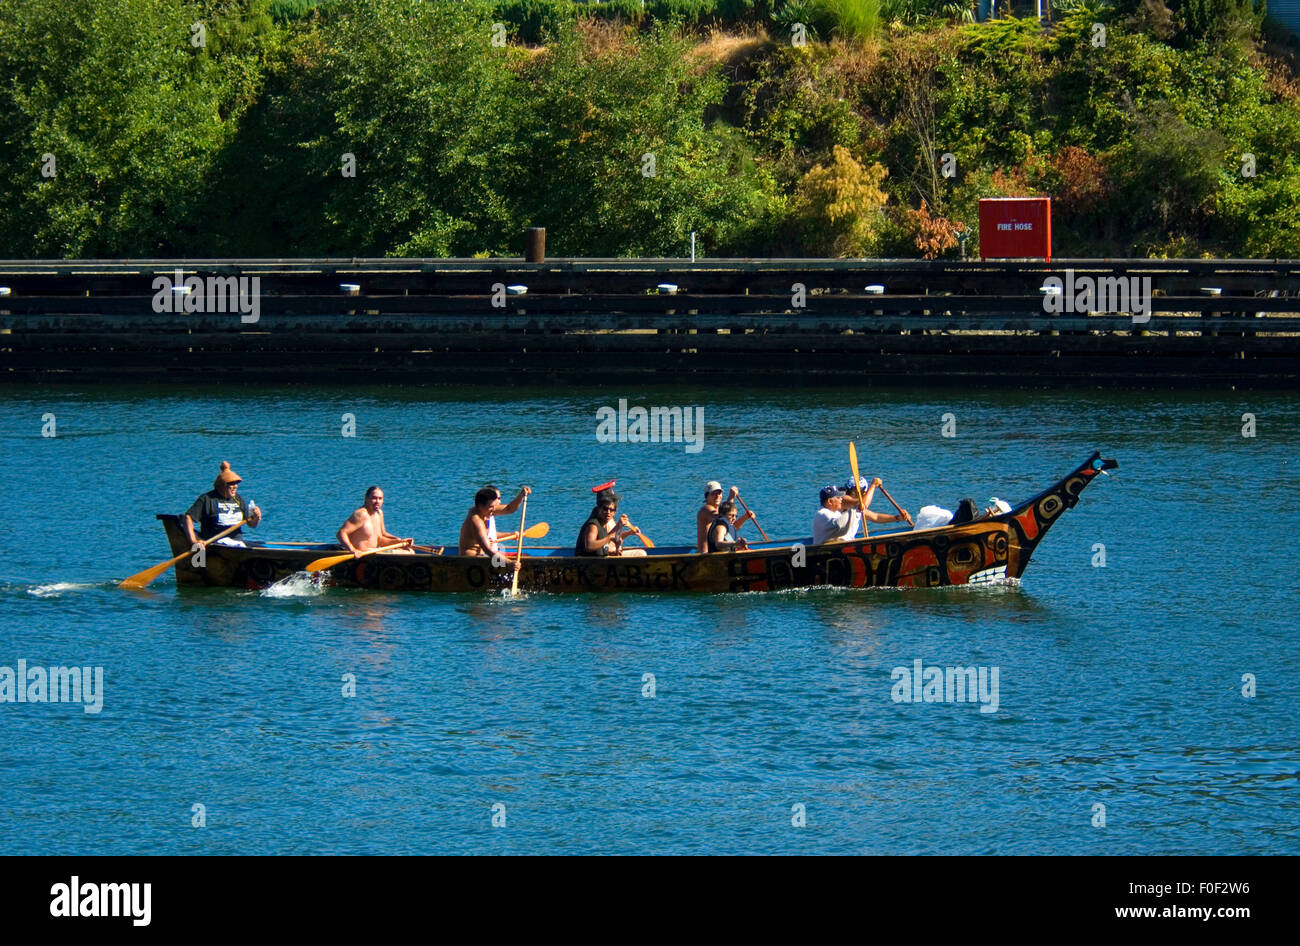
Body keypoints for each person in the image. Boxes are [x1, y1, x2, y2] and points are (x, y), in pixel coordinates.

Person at [184, 461, 262, 548]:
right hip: (215, 544)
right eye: (231, 484)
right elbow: (188, 517)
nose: (235, 486)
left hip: (237, 544)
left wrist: (256, 517)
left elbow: (252, 524)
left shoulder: (238, 499)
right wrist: (194, 541)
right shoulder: (207, 499)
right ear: (222, 485)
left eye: (236, 483)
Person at [813, 478, 908, 545]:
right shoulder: (845, 500)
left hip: (846, 544)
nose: (840, 498)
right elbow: (863, 504)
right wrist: (873, 486)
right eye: (851, 490)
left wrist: (897, 518)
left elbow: (875, 517)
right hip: (840, 545)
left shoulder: (847, 505)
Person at [337, 486, 413, 557]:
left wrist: (400, 541)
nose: (377, 501)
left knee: (409, 550)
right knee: (408, 553)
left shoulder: (379, 513)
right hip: (363, 554)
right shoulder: (361, 514)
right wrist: (352, 550)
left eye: (380, 498)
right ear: (366, 498)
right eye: (374, 498)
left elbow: (381, 537)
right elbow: (341, 533)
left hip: (375, 551)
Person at [459, 484, 532, 557]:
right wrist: (509, 563)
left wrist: (521, 495)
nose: (499, 502)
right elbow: (487, 549)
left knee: (525, 555)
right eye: (498, 498)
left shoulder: (487, 509)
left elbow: (509, 509)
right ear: (482, 505)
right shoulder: (476, 520)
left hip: (485, 554)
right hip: (475, 558)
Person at [575, 487, 647, 557]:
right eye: (605, 509)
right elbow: (589, 546)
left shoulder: (603, 521)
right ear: (598, 508)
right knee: (641, 553)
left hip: (599, 560)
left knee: (639, 551)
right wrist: (609, 538)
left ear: (615, 512)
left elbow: (605, 541)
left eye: (612, 510)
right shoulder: (593, 525)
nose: (608, 512)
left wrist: (628, 533)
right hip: (588, 563)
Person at [696, 481, 755, 554]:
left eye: (719, 493)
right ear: (707, 496)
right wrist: (731, 497)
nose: (717, 496)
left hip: (719, 551)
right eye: (713, 494)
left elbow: (731, 526)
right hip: (705, 554)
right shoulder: (706, 509)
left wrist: (745, 517)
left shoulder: (721, 516)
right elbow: (723, 519)